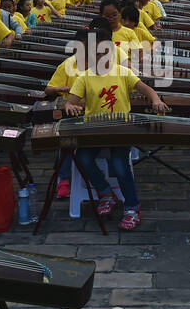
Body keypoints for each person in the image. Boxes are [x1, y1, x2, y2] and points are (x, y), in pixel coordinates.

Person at [62, 22, 169, 231]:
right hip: (94, 129)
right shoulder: (85, 77)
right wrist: (70, 106)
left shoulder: (122, 71)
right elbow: (70, 101)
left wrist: (155, 100)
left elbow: (147, 90)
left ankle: (132, 206)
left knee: (120, 163)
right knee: (83, 158)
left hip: (120, 127)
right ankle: (105, 192)